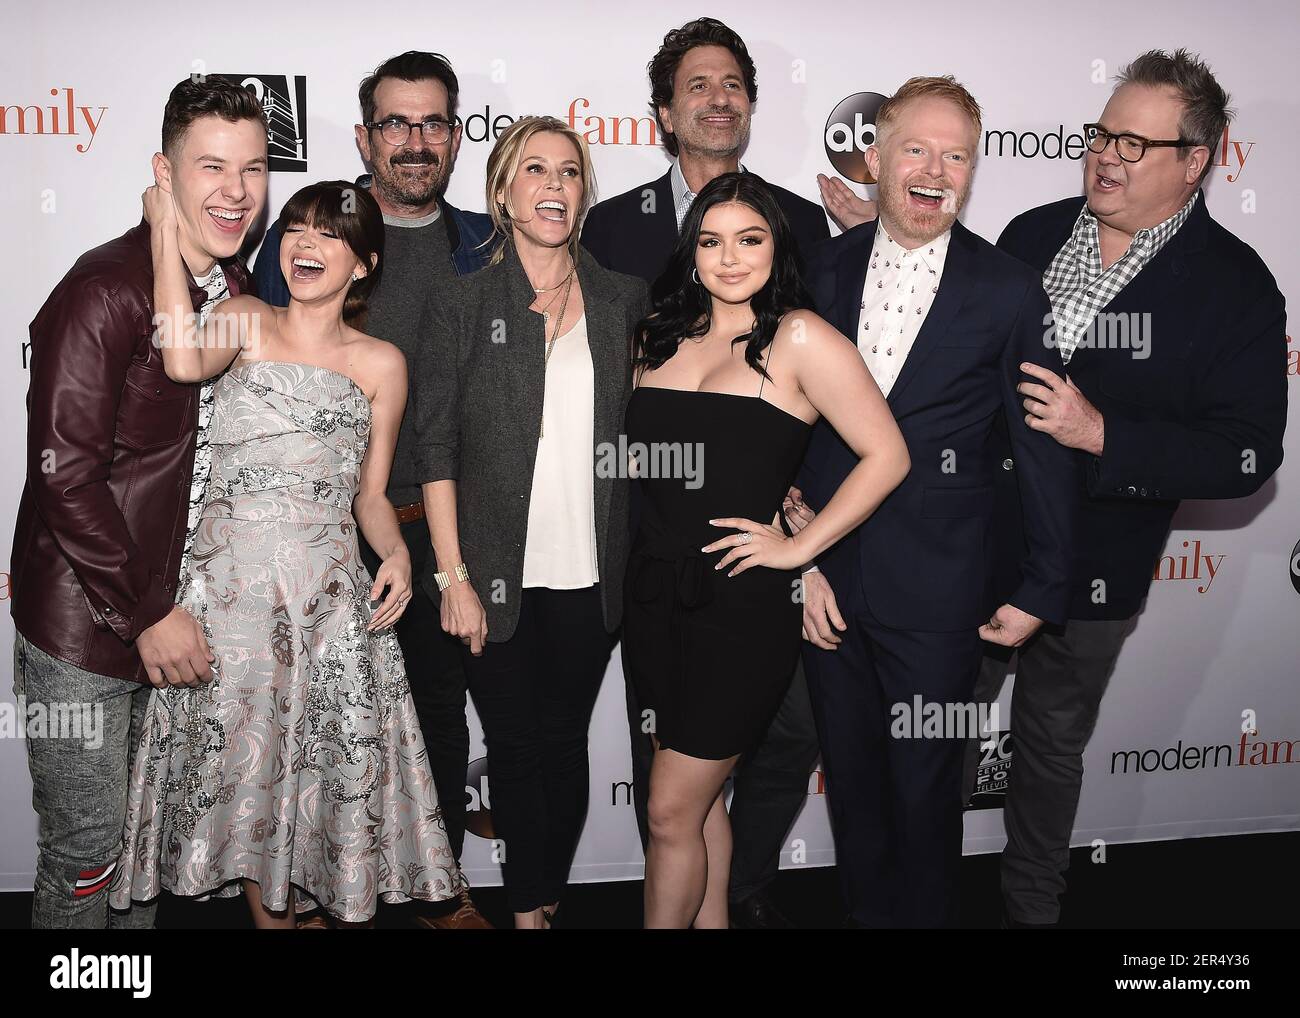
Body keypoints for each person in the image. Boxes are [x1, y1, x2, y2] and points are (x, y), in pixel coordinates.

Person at [970, 49, 1287, 928]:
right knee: (935, 730)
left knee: (1048, 748)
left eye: (1136, 144)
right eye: (1103, 133)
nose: (1107, 155)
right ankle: (908, 891)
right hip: (980, 544)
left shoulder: (1237, 287)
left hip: (1098, 570)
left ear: (1197, 160)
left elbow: (1248, 454)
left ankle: (1033, 907)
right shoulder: (1031, 232)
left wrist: (1103, 433)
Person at [108, 178, 462, 928]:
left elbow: (370, 495)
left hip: (324, 610)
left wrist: (397, 555)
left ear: (364, 263)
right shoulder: (241, 318)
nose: (307, 243)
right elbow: (177, 357)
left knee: (318, 803)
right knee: (246, 799)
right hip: (230, 604)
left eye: (331, 234)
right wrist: (166, 234)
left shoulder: (382, 364)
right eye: (297, 228)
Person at [795, 76, 1078, 928]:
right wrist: (796, 544)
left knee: (925, 798)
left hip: (944, 593)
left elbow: (1041, 448)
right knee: (853, 788)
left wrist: (1042, 584)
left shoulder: (1009, 288)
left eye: (957, 155)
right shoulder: (821, 268)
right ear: (875, 158)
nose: (935, 169)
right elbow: (783, 423)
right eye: (916, 149)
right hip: (830, 583)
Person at [581, 16, 830, 929]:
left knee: (697, 790)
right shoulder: (608, 229)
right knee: (691, 791)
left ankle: (746, 895)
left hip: (750, 576)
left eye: (734, 84)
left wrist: (813, 536)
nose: (718, 98)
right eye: (697, 85)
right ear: (662, 112)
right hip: (649, 563)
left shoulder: (801, 225)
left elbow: (847, 408)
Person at [10, 78, 265, 930]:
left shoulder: (231, 290)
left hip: (178, 625)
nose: (235, 190)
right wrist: (149, 608)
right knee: (87, 857)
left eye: (253, 168)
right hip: (91, 625)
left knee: (140, 855)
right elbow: (65, 476)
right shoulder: (105, 288)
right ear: (164, 174)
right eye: (211, 167)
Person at [625, 171, 909, 928]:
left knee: (665, 812)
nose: (729, 258)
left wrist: (798, 550)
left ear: (776, 246)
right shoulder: (660, 333)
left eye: (749, 240)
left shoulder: (801, 337)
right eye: (711, 242)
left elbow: (887, 455)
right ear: (692, 253)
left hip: (740, 607)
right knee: (699, 801)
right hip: (652, 595)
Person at [255, 52, 495, 927]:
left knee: (433, 710)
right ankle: (310, 884)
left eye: (434, 122)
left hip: (435, 525)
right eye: (396, 123)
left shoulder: (487, 245)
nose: (416, 140)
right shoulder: (312, 234)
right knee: (304, 712)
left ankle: (439, 885)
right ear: (364, 136)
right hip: (314, 523)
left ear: (456, 135)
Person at [416, 116, 649, 929]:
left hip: (592, 571)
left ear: (586, 193)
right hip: (491, 574)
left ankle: (539, 904)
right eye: (536, 171)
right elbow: (435, 446)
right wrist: (451, 579)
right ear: (504, 191)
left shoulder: (623, 299)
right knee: (513, 747)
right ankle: (527, 910)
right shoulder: (462, 300)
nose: (555, 186)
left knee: (564, 743)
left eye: (570, 172)